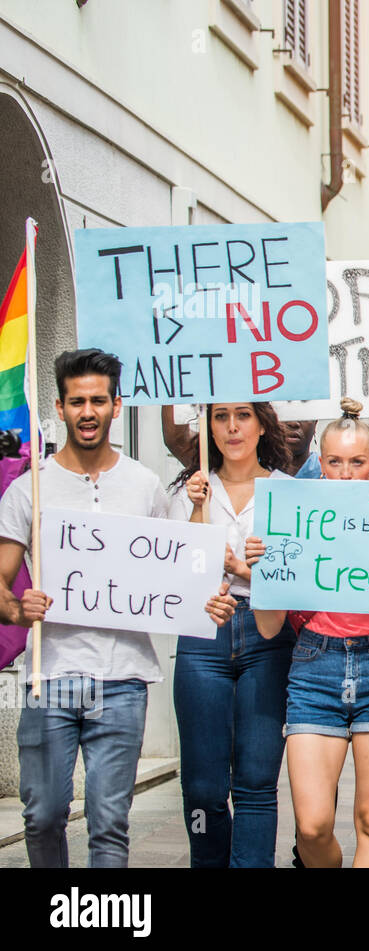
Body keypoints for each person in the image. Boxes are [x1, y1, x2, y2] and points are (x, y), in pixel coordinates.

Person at [0, 349, 235, 868]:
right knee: (43, 815)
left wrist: (207, 600)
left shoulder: (145, 485)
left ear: (115, 405)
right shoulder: (28, 488)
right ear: (59, 408)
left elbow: (176, 570)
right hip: (48, 676)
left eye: (98, 401)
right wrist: (19, 609)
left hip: (123, 679)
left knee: (110, 823)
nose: (88, 411)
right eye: (77, 401)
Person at [250, 399, 369, 868]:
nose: (345, 473)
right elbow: (269, 626)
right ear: (321, 460)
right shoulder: (292, 513)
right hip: (315, 667)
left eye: (357, 462)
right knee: (312, 828)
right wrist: (265, 569)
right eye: (334, 462)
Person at [168, 402, 297, 868]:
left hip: (268, 635)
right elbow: (174, 572)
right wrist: (197, 510)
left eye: (243, 415)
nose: (232, 427)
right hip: (204, 635)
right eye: (220, 416)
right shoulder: (191, 490)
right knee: (202, 785)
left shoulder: (288, 492)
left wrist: (246, 570)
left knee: (256, 780)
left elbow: (295, 577)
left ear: (262, 424)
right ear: (208, 428)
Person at [160, 326, 369, 479]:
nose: (293, 420)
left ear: (317, 417)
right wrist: (182, 359)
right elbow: (177, 438)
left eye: (303, 407)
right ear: (265, 417)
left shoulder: (341, 469)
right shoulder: (237, 468)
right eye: (283, 407)